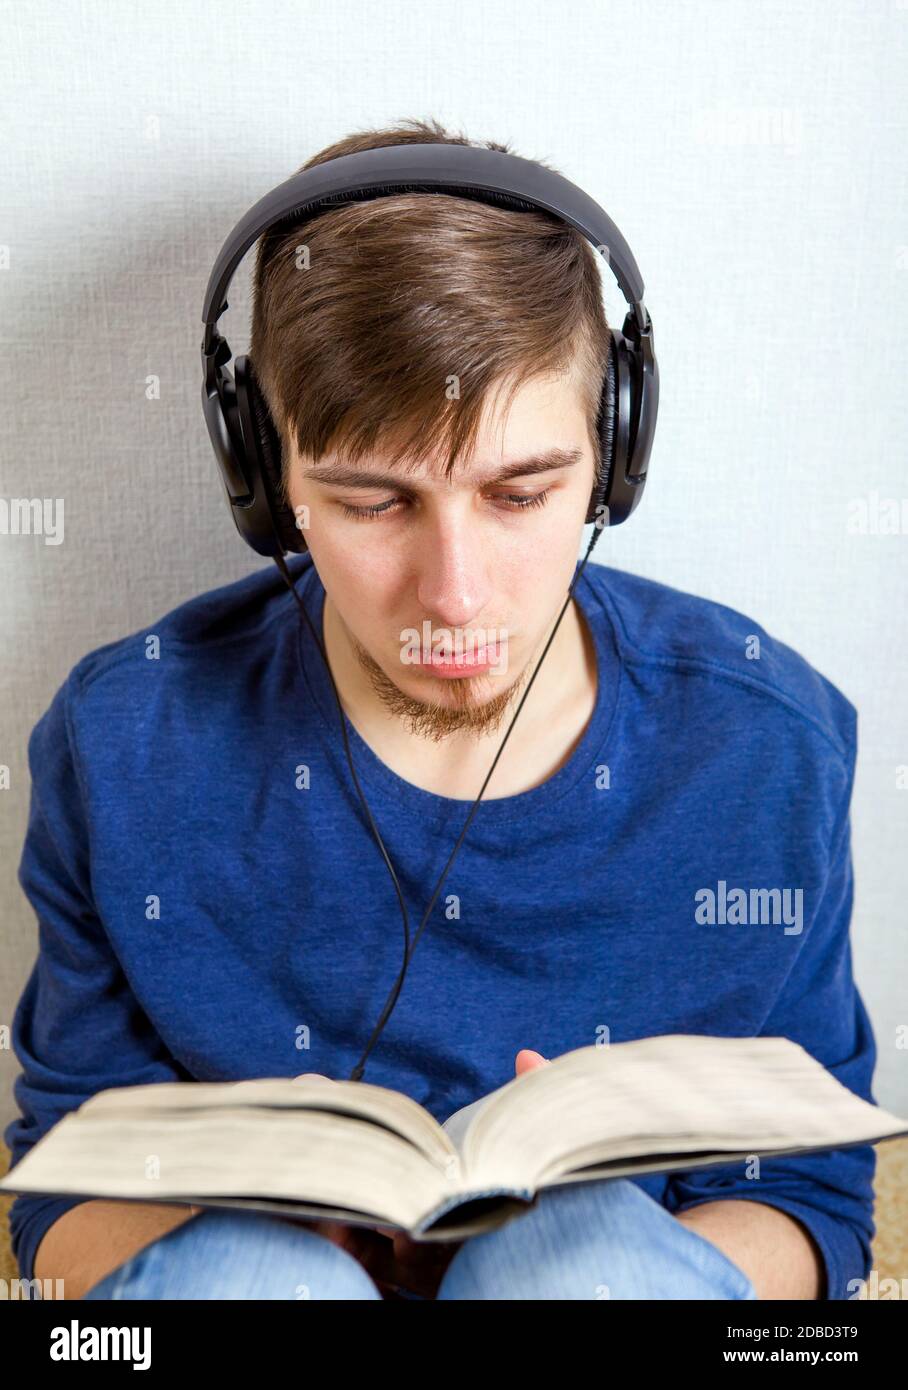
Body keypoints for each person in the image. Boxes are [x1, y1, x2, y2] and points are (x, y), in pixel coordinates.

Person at [4, 119, 878, 1301]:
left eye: (521, 492)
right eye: (371, 503)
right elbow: (57, 1193)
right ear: (262, 479)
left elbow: (809, 1202)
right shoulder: (124, 745)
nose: (454, 593)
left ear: (614, 456)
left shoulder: (762, 745)